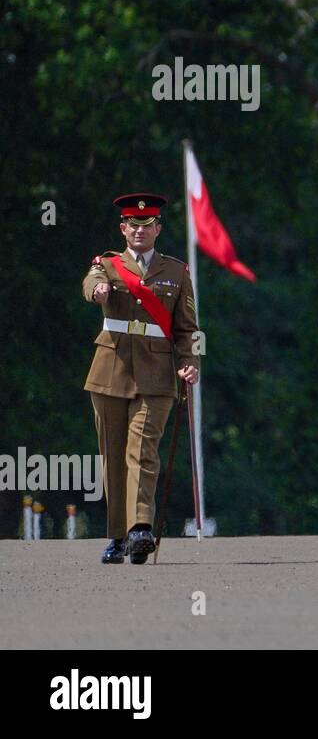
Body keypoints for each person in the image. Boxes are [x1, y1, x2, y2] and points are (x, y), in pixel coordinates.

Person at [83, 194, 200, 564]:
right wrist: (97, 290)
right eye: (133, 225)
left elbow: (187, 329)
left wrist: (190, 362)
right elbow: (91, 283)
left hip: (157, 374)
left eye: (147, 225)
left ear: (158, 229)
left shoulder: (176, 272)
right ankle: (118, 537)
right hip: (110, 370)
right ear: (123, 229)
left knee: (143, 451)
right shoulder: (107, 265)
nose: (139, 230)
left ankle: (140, 530)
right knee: (113, 455)